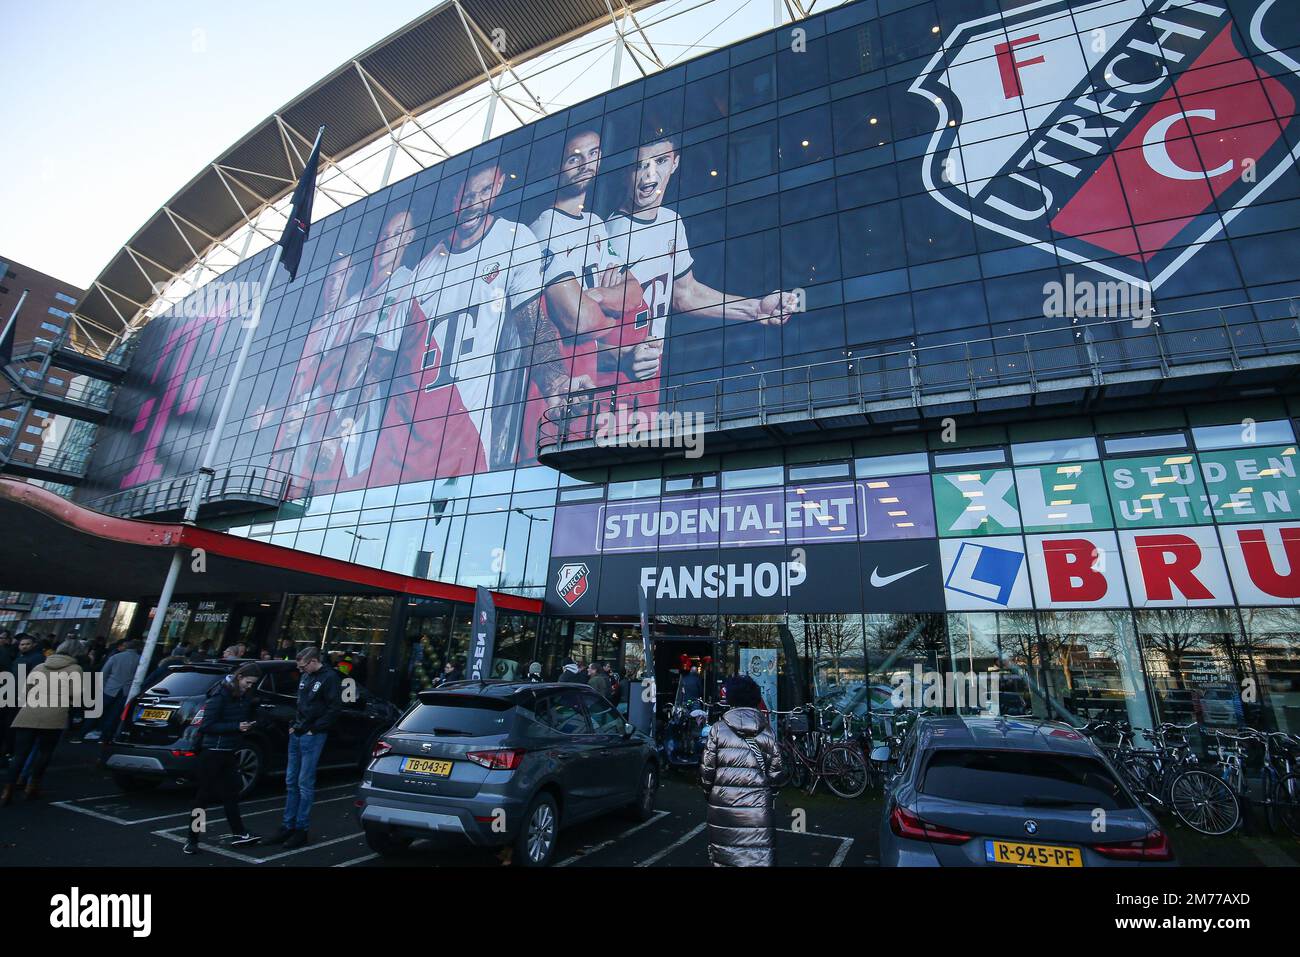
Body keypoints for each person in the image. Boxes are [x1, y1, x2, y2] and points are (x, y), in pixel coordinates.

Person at [605, 133, 798, 411]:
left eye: (659, 161)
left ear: (675, 164)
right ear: (627, 172)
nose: (649, 174)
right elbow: (581, 332)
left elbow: (686, 294)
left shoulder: (672, 223)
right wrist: (622, 358)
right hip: (608, 379)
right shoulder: (610, 235)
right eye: (640, 165)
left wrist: (756, 309)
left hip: (648, 379)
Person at [699, 675, 785, 867]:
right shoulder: (767, 732)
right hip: (758, 810)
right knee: (758, 857)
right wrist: (769, 796)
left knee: (725, 857)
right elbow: (776, 775)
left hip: (723, 806)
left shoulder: (718, 730)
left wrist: (711, 794)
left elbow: (707, 772)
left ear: (731, 699)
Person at [263, 647, 341, 850]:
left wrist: (314, 729)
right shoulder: (306, 676)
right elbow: (300, 703)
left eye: (304, 665)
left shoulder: (329, 678)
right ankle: (288, 825)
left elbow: (334, 708)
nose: (302, 670)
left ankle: (301, 829)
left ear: (314, 661)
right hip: (298, 731)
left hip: (312, 734)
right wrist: (293, 724)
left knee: (304, 782)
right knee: (291, 781)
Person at [184, 663, 263, 853]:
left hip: (228, 751)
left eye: (252, 684)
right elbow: (207, 725)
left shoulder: (239, 695)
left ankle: (239, 832)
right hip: (213, 752)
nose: (249, 686)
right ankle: (192, 839)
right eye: (248, 682)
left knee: (230, 793)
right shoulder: (220, 695)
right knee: (203, 796)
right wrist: (236, 726)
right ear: (239, 677)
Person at [2, 639, 84, 805]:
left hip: (29, 712)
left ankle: (7, 790)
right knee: (44, 753)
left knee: (19, 754)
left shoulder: (40, 666)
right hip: (54, 715)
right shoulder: (75, 669)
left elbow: (25, 691)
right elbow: (76, 696)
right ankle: (32, 786)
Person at [84, 639, 140, 745]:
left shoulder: (115, 657)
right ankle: (104, 737)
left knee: (96, 711)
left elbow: (104, 673)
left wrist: (103, 686)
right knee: (114, 715)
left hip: (110, 688)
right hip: (125, 691)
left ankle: (82, 733)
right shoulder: (140, 660)